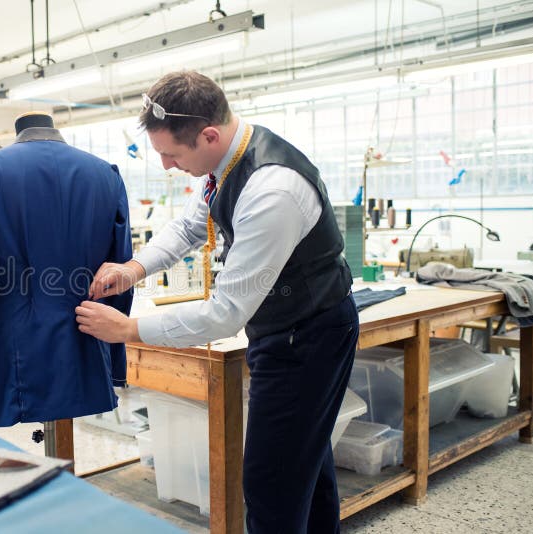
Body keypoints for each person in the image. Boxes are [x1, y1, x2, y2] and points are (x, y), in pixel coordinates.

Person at [75, 71, 358, 533]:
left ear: (208, 134)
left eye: (171, 154)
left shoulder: (272, 189)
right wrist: (134, 268)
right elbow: (190, 227)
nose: (166, 165)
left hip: (309, 339)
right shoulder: (227, 161)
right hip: (285, 328)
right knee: (307, 466)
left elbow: (226, 313)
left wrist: (128, 331)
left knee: (272, 482)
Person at [0, 111, 132, 427]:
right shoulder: (105, 176)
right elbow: (118, 275)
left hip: (19, 358)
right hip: (86, 344)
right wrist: (113, 360)